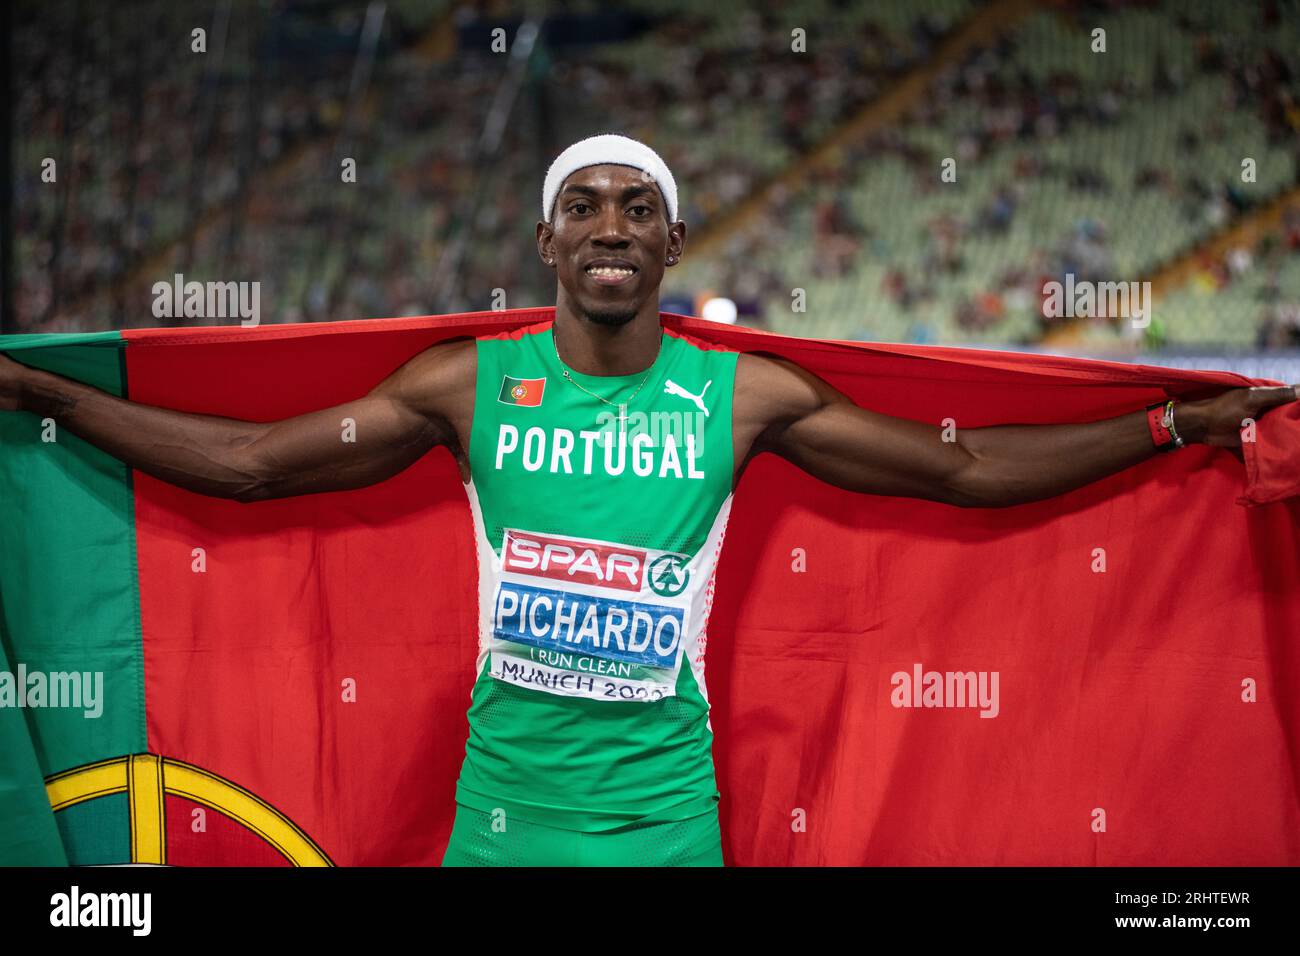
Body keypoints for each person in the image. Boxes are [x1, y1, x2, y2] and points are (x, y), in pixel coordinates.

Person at [1, 134, 1296, 867]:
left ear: (673, 247)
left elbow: (960, 472)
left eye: (639, 206)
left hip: (666, 828)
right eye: (583, 205)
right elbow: (253, 464)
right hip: (501, 827)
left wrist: (1162, 423)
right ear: (548, 244)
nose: (610, 222)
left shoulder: (740, 400)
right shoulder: (467, 388)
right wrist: (50, 400)